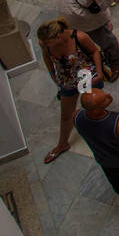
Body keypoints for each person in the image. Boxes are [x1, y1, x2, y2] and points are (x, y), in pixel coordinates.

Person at [37, 19, 104, 165]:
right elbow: (46, 56)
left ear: (59, 37)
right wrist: (53, 74)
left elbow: (94, 51)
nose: (45, 44)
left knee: (91, 106)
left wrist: (99, 73)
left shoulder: (79, 37)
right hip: (66, 80)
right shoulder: (44, 43)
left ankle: (97, 132)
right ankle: (62, 144)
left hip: (85, 76)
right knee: (66, 115)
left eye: (49, 42)